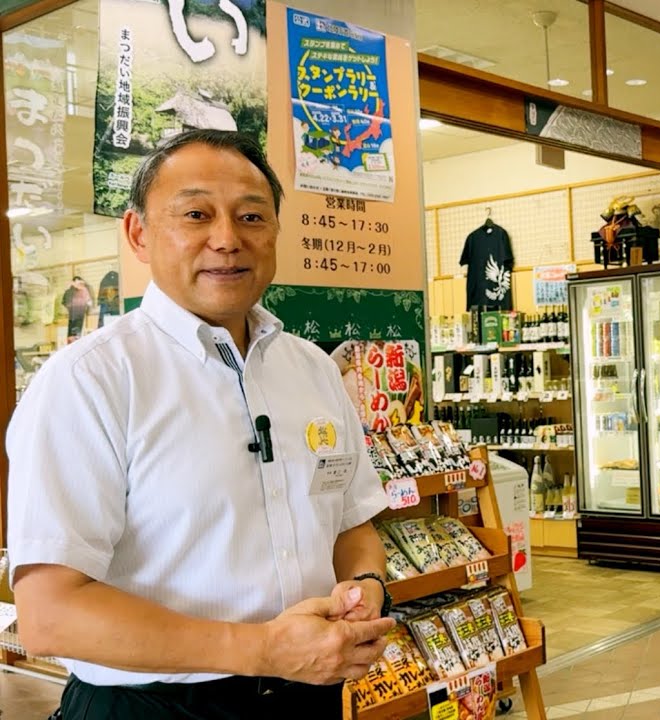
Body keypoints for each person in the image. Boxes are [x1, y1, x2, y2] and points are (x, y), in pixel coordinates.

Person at [6, 129, 396, 720]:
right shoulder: (91, 380)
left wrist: (366, 585)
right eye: (195, 214)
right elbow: (50, 615)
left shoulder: (313, 369)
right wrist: (264, 650)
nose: (227, 239)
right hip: (148, 706)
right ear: (139, 234)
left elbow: (351, 523)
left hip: (309, 696)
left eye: (251, 217)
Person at [61, 275, 92, 341]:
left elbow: (64, 303)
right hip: (78, 315)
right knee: (76, 335)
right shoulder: (82, 291)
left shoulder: (69, 291)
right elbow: (89, 302)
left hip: (72, 315)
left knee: (72, 334)